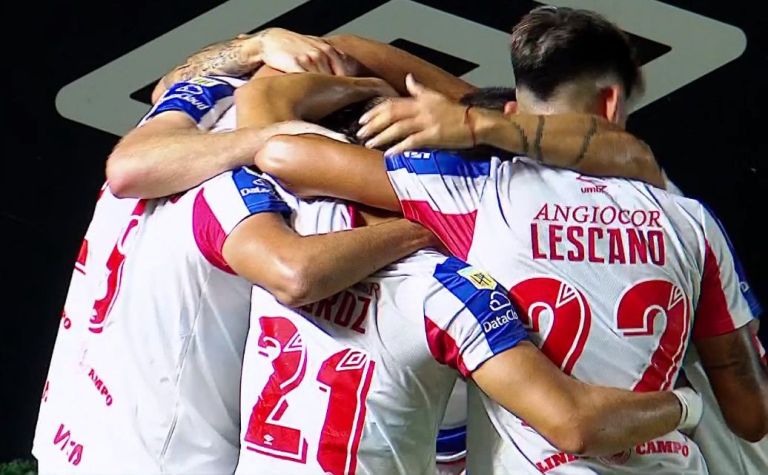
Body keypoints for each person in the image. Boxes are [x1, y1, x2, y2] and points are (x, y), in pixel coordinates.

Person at [247, 7, 768, 473]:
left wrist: (380, 99)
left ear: (513, 113)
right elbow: (751, 413)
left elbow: (281, 155)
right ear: (612, 103)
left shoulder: (471, 196)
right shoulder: (688, 216)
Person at [31, 36, 441, 475]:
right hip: (156, 458)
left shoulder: (191, 113)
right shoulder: (239, 190)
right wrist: (431, 223)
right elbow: (295, 274)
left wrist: (257, 46)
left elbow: (163, 102)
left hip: (75, 424)